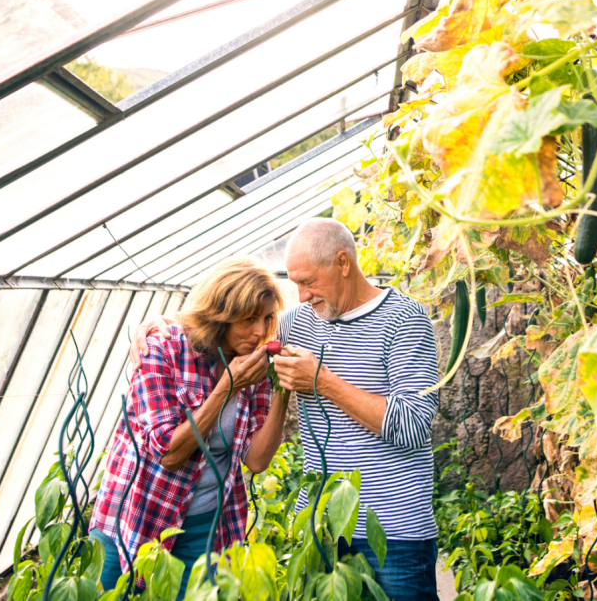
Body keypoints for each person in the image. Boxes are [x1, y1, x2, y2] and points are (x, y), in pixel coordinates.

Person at [133, 218, 440, 601]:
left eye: (308, 281)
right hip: (323, 525)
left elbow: (412, 426)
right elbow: (223, 320)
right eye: (294, 283)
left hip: (395, 531)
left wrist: (322, 381)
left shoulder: (405, 320)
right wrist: (160, 324)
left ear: (343, 263)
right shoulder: (296, 324)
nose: (301, 295)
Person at [91, 258, 289, 601]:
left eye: (267, 318)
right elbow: (169, 454)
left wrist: (283, 391)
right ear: (220, 315)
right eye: (248, 319)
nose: (260, 332)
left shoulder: (252, 364)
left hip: (209, 527)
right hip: (138, 519)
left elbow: (256, 461)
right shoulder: (162, 351)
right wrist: (225, 388)